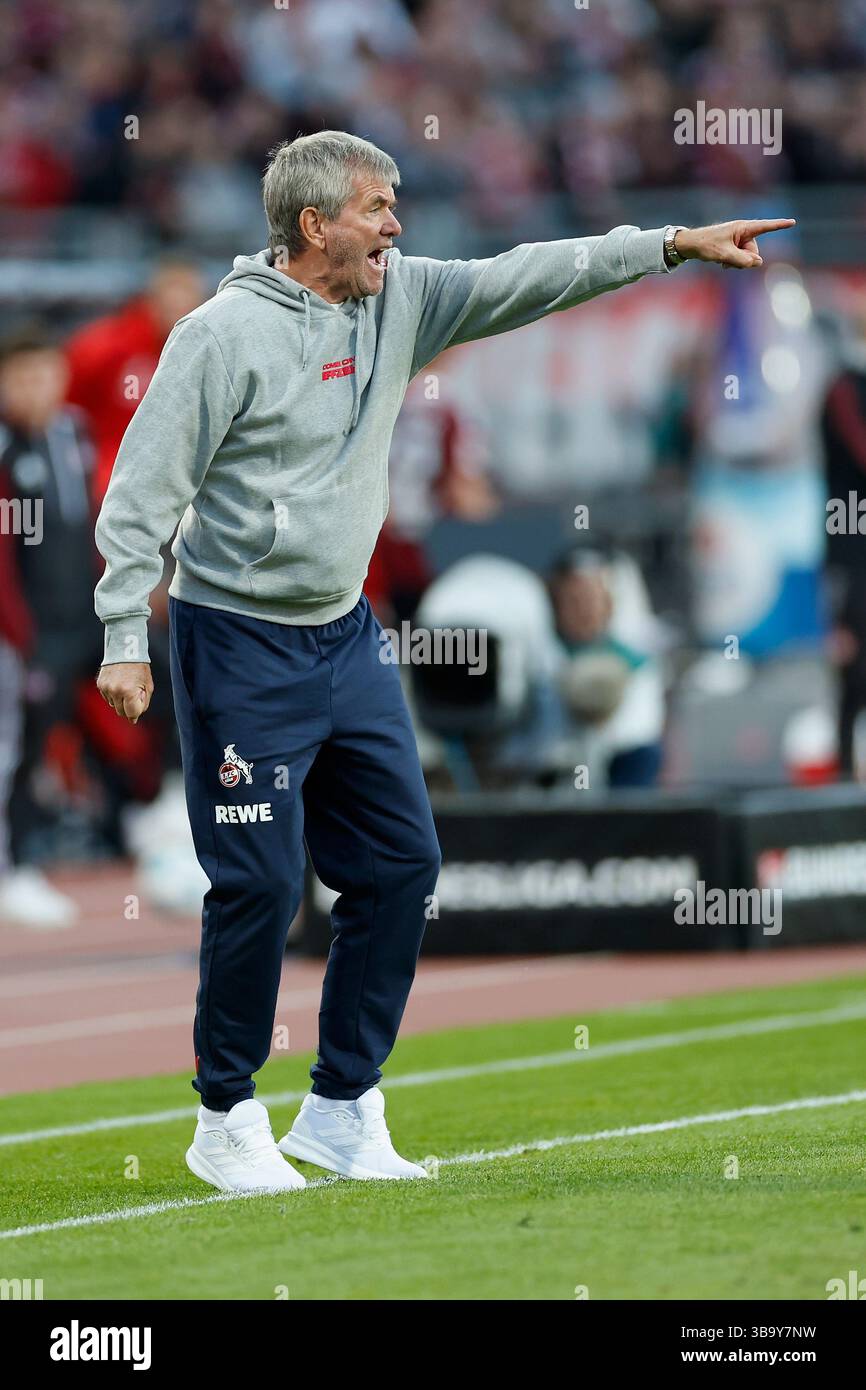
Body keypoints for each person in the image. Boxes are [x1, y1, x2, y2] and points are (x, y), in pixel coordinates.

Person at [93, 129, 794, 1194]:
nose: (396, 224)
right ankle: (225, 1114)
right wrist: (120, 635)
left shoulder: (403, 297)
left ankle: (340, 1107)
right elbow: (141, 491)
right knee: (261, 883)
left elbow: (527, 274)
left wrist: (666, 245)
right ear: (313, 223)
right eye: (376, 207)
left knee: (401, 865)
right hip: (237, 640)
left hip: (345, 632)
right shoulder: (218, 335)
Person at [0, 327, 99, 927]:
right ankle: (15, 865)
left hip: (80, 611)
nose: (36, 389)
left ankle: (154, 817)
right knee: (22, 745)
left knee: (162, 678)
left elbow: (88, 524)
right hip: (26, 628)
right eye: (23, 378)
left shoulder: (75, 432)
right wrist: (21, 635)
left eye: (45, 375)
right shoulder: (7, 450)